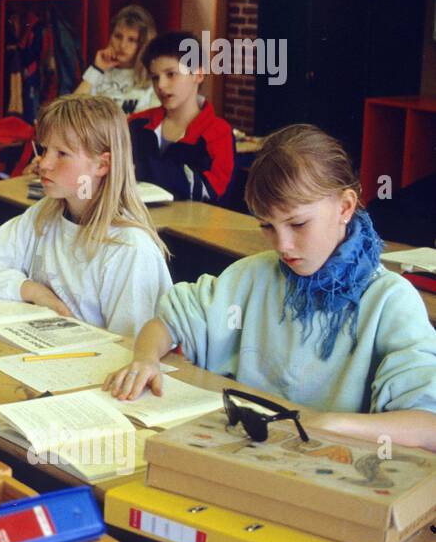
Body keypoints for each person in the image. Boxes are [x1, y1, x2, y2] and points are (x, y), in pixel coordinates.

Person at [106, 124, 436, 452]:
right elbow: (168, 321)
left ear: (346, 207)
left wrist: (328, 423)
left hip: (330, 466)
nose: (283, 244)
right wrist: (146, 358)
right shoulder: (253, 275)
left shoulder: (390, 300)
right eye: (267, 226)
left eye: (297, 224)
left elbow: (426, 426)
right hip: (248, 452)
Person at [0, 95, 172, 337]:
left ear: (102, 165)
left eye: (62, 154)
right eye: (45, 149)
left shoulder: (130, 247)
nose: (44, 164)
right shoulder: (45, 213)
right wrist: (32, 290)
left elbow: (133, 349)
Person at [127, 30, 235, 203]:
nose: (161, 85)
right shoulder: (136, 123)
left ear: (198, 75)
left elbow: (212, 193)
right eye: (155, 78)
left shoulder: (219, 133)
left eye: (171, 74)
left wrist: (142, 168)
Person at [73, 4, 159, 114]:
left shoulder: (153, 78)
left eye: (132, 40)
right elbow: (72, 111)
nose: (122, 45)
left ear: (143, 44)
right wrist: (97, 68)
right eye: (118, 36)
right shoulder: (98, 72)